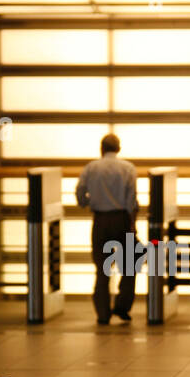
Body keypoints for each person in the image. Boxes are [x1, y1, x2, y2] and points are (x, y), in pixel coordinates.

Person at [75, 132, 138, 325]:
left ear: (101, 148)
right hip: (122, 219)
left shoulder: (91, 167)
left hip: (100, 220)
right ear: (118, 148)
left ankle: (103, 313)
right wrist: (132, 222)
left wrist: (85, 203)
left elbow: (79, 191)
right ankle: (122, 306)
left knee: (102, 268)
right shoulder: (128, 168)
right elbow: (132, 198)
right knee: (129, 265)